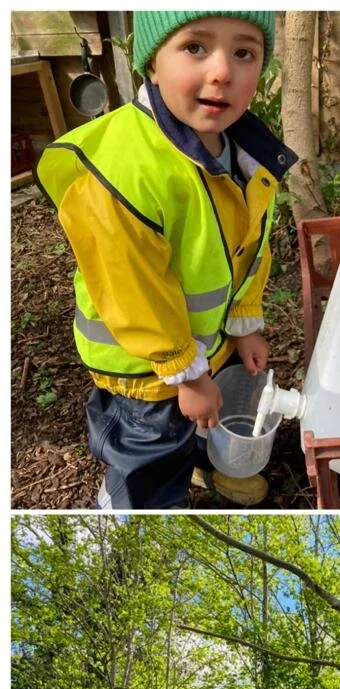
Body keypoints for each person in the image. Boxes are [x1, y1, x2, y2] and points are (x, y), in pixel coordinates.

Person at [36, 12, 297, 509]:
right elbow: (133, 288)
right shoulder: (122, 169)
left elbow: (244, 250)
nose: (222, 71)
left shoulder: (239, 149)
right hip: (145, 367)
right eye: (195, 48)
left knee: (201, 417)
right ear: (151, 64)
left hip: (203, 346)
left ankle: (204, 461)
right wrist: (186, 372)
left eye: (244, 53)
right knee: (149, 451)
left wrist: (244, 323)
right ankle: (127, 508)